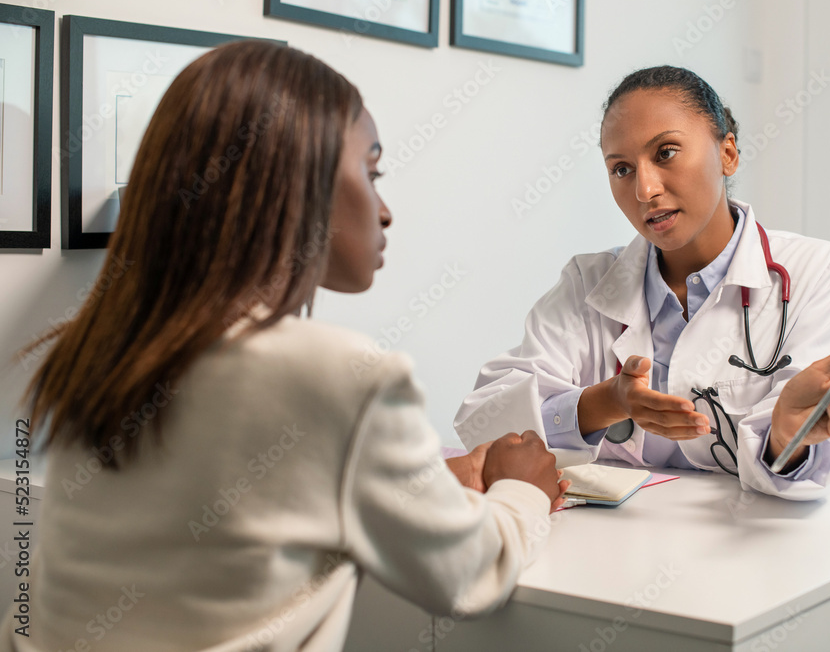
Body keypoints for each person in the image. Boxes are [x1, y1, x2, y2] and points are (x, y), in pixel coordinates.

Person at [3, 41, 568, 651]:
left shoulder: (101, 348)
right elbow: (470, 575)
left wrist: (423, 483)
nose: (384, 213)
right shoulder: (342, 375)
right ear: (293, 186)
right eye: (371, 172)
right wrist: (522, 489)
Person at [455, 66, 830, 501]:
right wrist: (607, 401)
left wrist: (786, 438)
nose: (644, 189)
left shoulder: (814, 271)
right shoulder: (587, 283)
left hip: (749, 546)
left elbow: (809, 463)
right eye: (621, 169)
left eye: (666, 152)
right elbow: (485, 423)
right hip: (613, 544)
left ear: (727, 153)